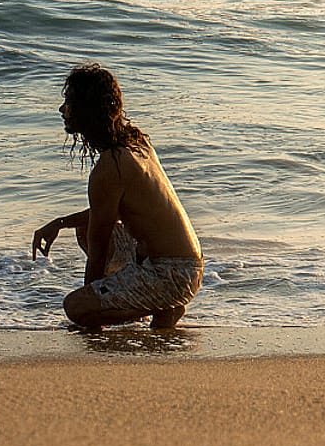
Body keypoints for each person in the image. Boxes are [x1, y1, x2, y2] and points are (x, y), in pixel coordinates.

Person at [31, 63, 202, 329]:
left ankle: (163, 306)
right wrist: (61, 222)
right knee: (83, 226)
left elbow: (97, 254)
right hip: (183, 266)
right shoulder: (136, 142)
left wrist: (91, 306)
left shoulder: (110, 168)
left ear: (86, 110)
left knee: (75, 307)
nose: (62, 110)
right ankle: (143, 298)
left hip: (172, 273)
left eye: (68, 102)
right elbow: (105, 215)